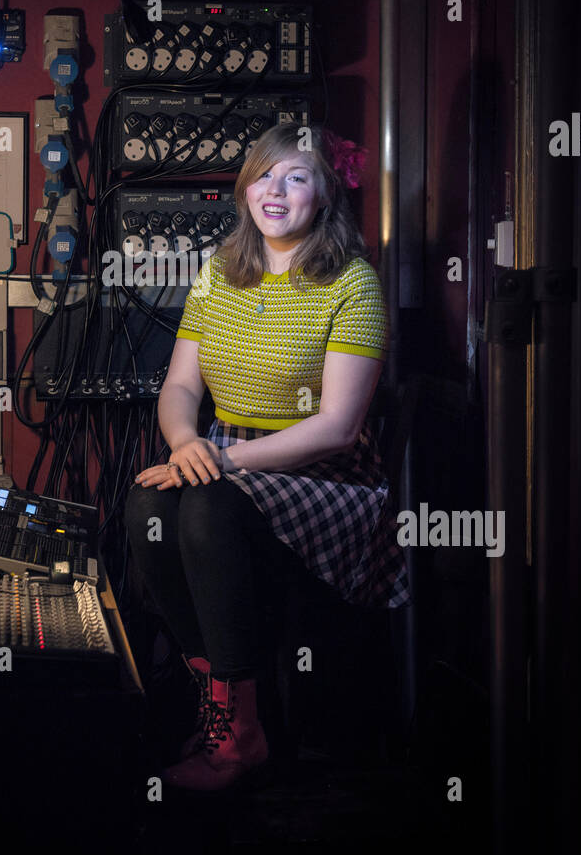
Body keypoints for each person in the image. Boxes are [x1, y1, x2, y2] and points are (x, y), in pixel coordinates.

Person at [123, 120, 409, 793]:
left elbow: (337, 427)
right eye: (263, 174)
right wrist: (187, 443)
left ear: (323, 197)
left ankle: (239, 738)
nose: (274, 189)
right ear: (244, 187)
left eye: (295, 176)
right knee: (145, 504)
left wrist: (218, 464)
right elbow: (180, 386)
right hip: (223, 451)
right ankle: (223, 704)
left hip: (327, 475)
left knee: (204, 507)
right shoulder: (220, 272)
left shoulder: (352, 283)